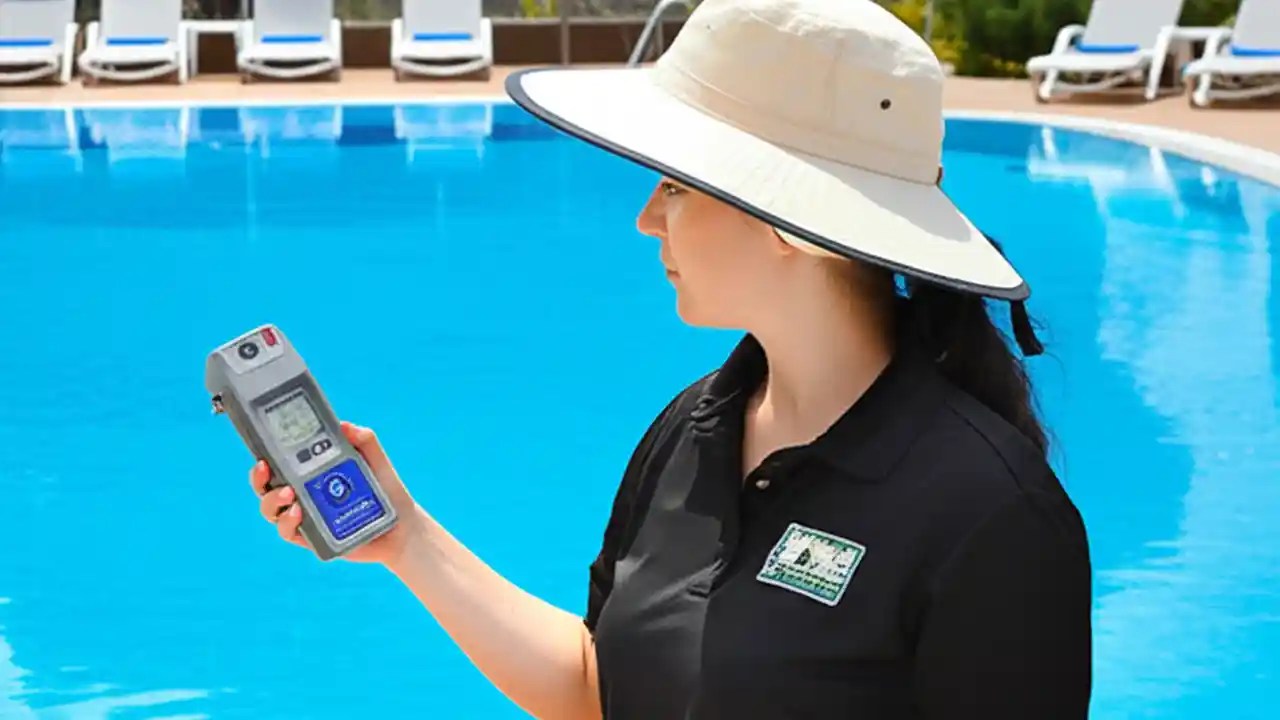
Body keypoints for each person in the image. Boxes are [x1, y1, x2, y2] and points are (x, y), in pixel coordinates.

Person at [248, 0, 1093, 717]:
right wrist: (403, 537)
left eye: (678, 184)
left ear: (790, 221)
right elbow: (599, 688)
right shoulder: (693, 430)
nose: (649, 218)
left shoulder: (994, 519)